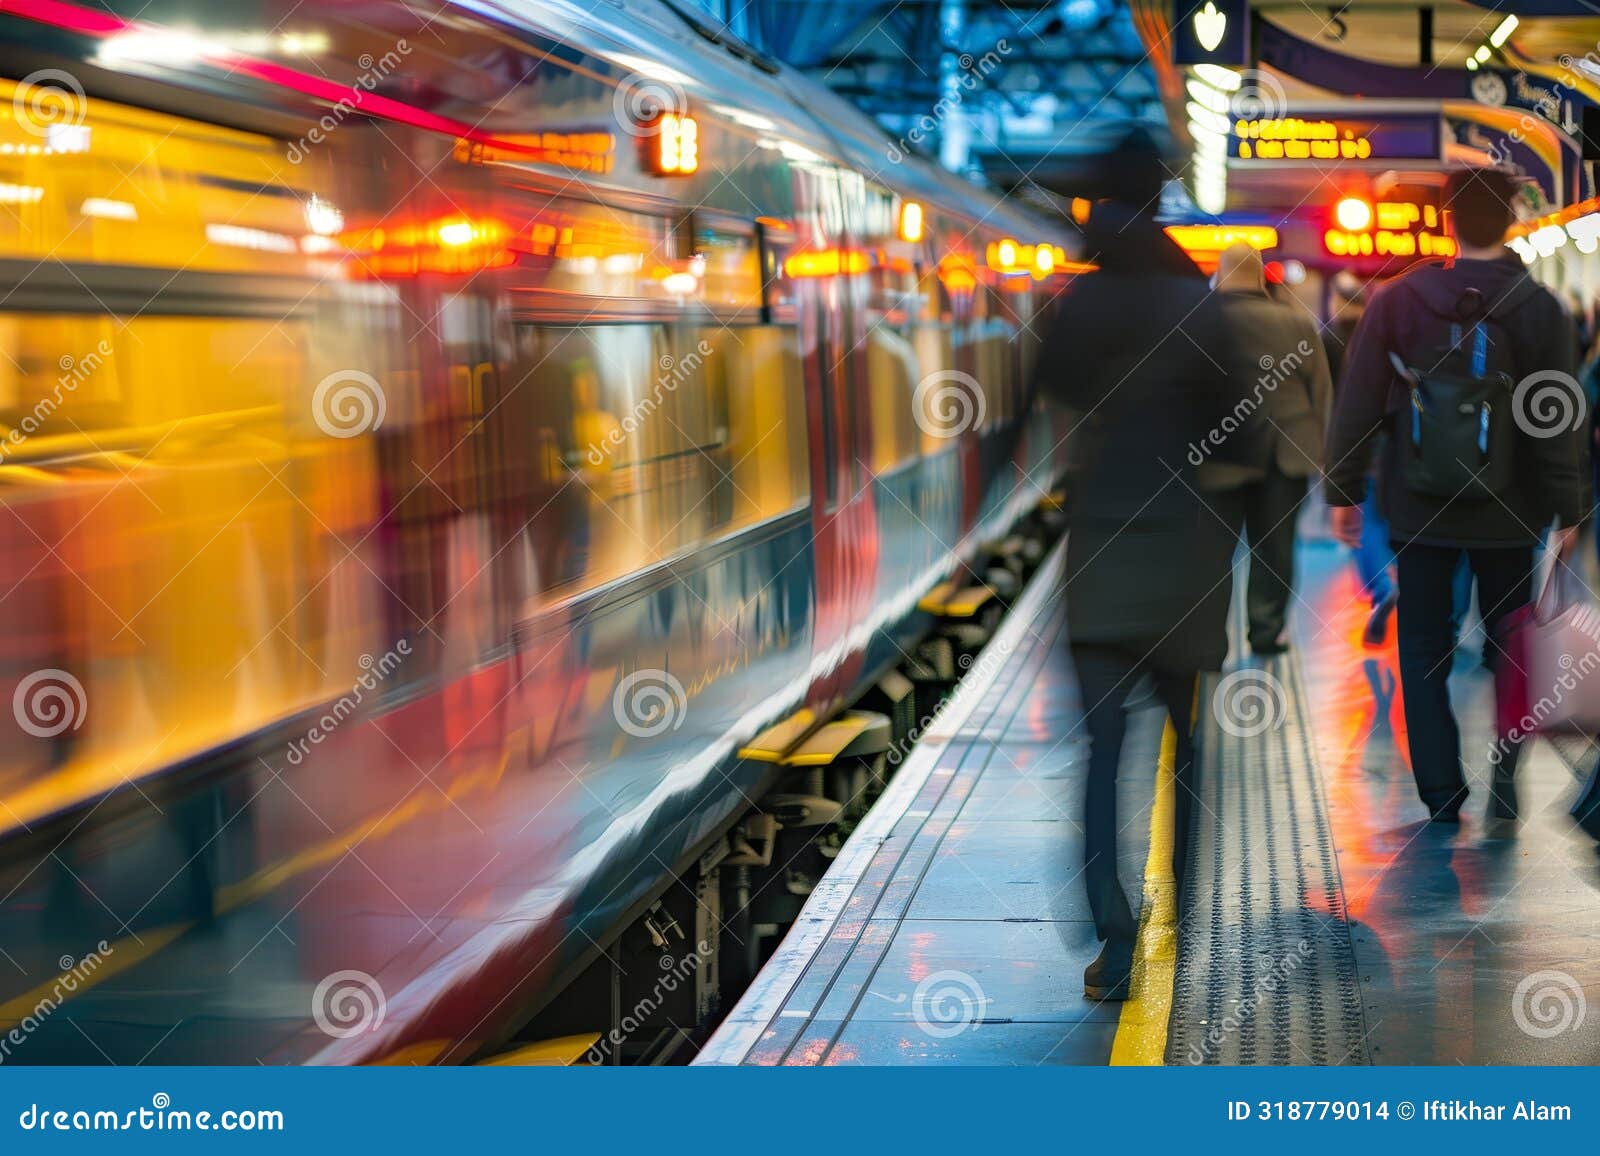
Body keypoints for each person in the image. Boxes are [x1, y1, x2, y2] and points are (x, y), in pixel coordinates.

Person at [1034, 129, 1240, 1000]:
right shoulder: (1200, 307)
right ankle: (1182, 927)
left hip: (1103, 553)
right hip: (1186, 559)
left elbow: (1033, 413)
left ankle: (1114, 941)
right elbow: (1242, 427)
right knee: (1187, 754)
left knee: (1102, 753)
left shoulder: (1076, 307)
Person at [1323, 167, 1584, 823]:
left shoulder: (1397, 300)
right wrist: (1570, 506)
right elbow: (1557, 416)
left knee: (1422, 649)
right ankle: (1506, 775)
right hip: (1511, 508)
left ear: (1446, 221)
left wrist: (1344, 490)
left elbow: (1355, 404)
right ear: (1511, 222)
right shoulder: (1541, 307)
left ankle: (1440, 791)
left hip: (1419, 505)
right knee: (1509, 646)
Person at [1198, 243, 1332, 655]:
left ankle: (1207, 641)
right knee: (1274, 548)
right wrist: (1327, 458)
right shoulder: (1295, 322)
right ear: (1260, 275)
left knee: (1211, 551)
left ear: (1221, 275)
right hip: (1286, 452)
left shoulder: (1200, 322)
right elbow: (1322, 392)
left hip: (1218, 451)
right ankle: (1266, 630)